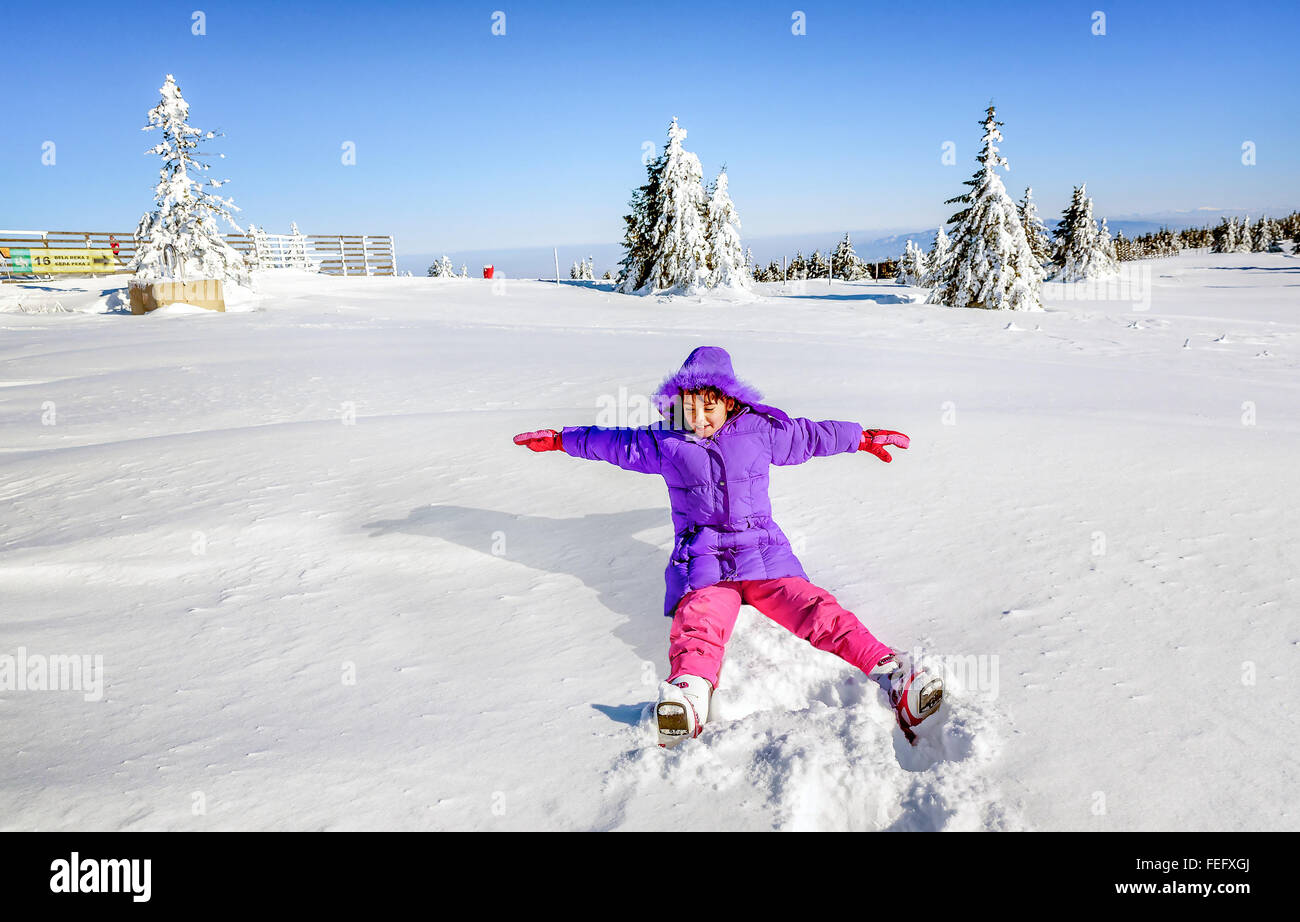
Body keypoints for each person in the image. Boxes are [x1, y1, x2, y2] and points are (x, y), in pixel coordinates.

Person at [513, 345, 941, 748]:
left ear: (730, 402)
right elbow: (614, 443)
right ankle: (689, 694)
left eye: (709, 407)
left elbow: (811, 436)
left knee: (817, 610)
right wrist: (560, 439)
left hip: (765, 554)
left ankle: (892, 672)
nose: (699, 417)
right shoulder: (665, 442)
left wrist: (861, 437)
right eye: (689, 407)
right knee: (699, 620)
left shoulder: (761, 431)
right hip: (704, 558)